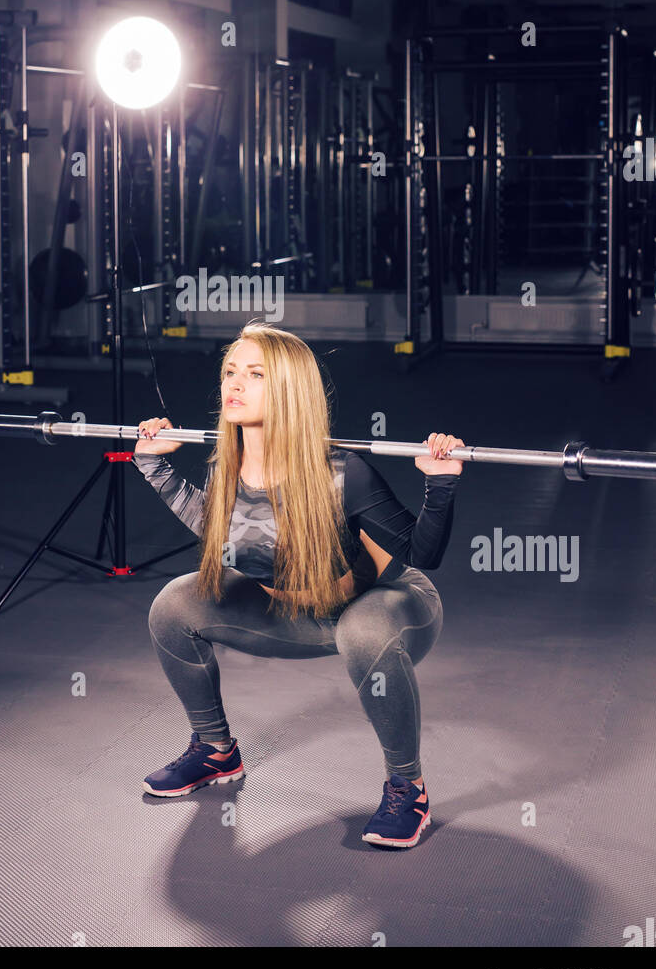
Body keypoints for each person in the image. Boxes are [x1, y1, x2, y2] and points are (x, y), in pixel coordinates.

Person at [133, 322, 462, 848]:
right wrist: (154, 467)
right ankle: (217, 751)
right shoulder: (228, 467)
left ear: (288, 388)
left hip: (391, 605)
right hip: (298, 617)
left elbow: (424, 554)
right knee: (174, 604)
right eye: (230, 372)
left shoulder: (343, 473)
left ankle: (408, 788)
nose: (234, 385)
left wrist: (439, 483)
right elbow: (221, 532)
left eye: (255, 375)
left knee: (361, 630)